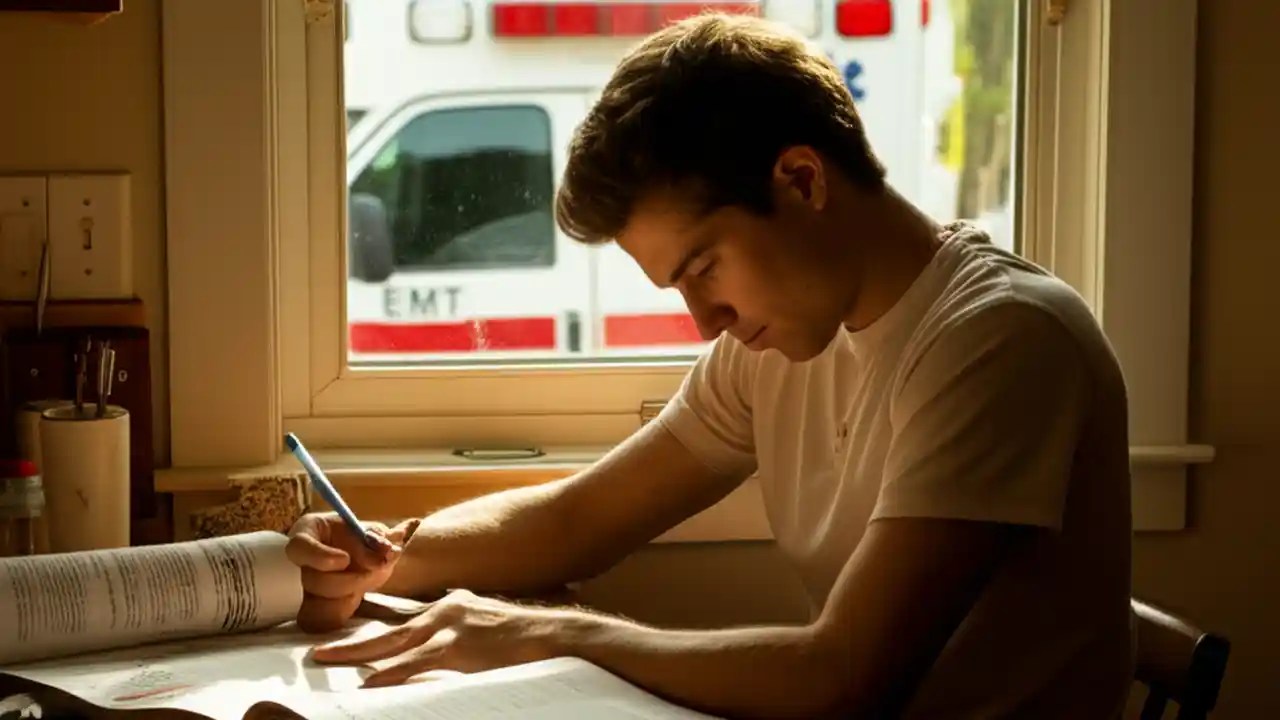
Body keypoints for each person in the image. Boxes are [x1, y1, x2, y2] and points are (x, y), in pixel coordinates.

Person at [285, 13, 1134, 719]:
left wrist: (555, 634)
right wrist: (380, 553)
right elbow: (583, 520)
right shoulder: (781, 338)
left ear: (801, 180)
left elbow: (842, 674)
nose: (704, 322)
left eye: (702, 268)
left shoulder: (1001, 339)